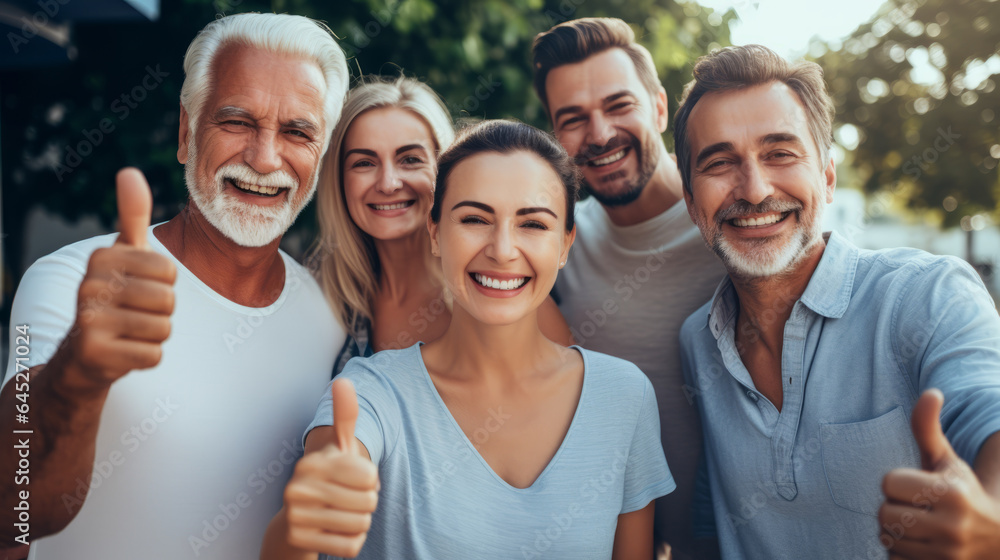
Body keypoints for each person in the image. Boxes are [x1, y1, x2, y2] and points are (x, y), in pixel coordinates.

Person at [0, 13, 349, 559]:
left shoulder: (330, 319)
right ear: (187, 133)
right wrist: (76, 373)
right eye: (237, 121)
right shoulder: (66, 279)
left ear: (321, 155)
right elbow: (12, 514)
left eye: (297, 132)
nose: (264, 158)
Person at [261, 120, 675, 559]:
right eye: (475, 219)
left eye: (533, 224)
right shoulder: (370, 392)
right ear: (435, 233)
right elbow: (302, 527)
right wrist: (300, 522)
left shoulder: (625, 396)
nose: (502, 250)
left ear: (565, 244)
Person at [675, 44, 1000, 559]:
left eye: (780, 153)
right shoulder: (697, 340)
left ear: (827, 178)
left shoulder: (927, 294)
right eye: (719, 162)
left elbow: (988, 406)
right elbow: (709, 522)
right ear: (692, 202)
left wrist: (993, 512)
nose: (754, 190)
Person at [531, 17, 727, 558]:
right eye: (573, 119)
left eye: (619, 106)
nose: (599, 135)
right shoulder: (558, 246)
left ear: (660, 109)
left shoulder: (735, 226)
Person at [312, 77, 573, 376]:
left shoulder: (499, 285)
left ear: (447, 173)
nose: (388, 183)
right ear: (339, 179)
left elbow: (570, 393)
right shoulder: (328, 293)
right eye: (364, 163)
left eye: (410, 159)